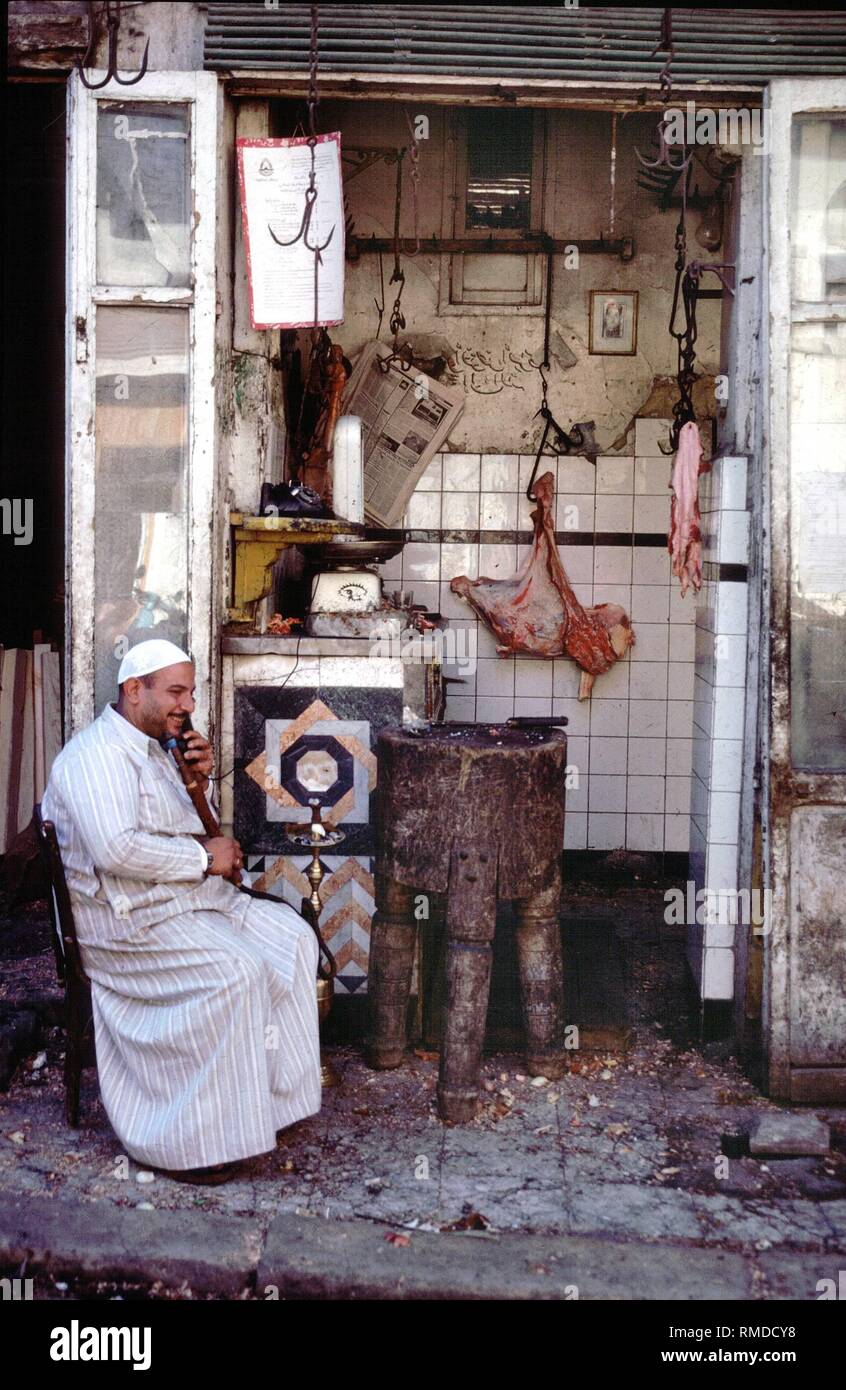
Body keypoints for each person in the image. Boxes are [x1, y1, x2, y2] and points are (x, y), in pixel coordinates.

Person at [41, 640, 321, 1184]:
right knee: (236, 972)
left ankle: (268, 1107)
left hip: (182, 902)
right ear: (133, 690)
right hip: (124, 927)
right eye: (175, 691)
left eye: (189, 691)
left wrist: (198, 782)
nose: (186, 703)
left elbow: (193, 829)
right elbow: (117, 850)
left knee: (292, 939)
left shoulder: (157, 748)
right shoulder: (94, 757)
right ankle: (194, 1142)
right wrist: (202, 858)